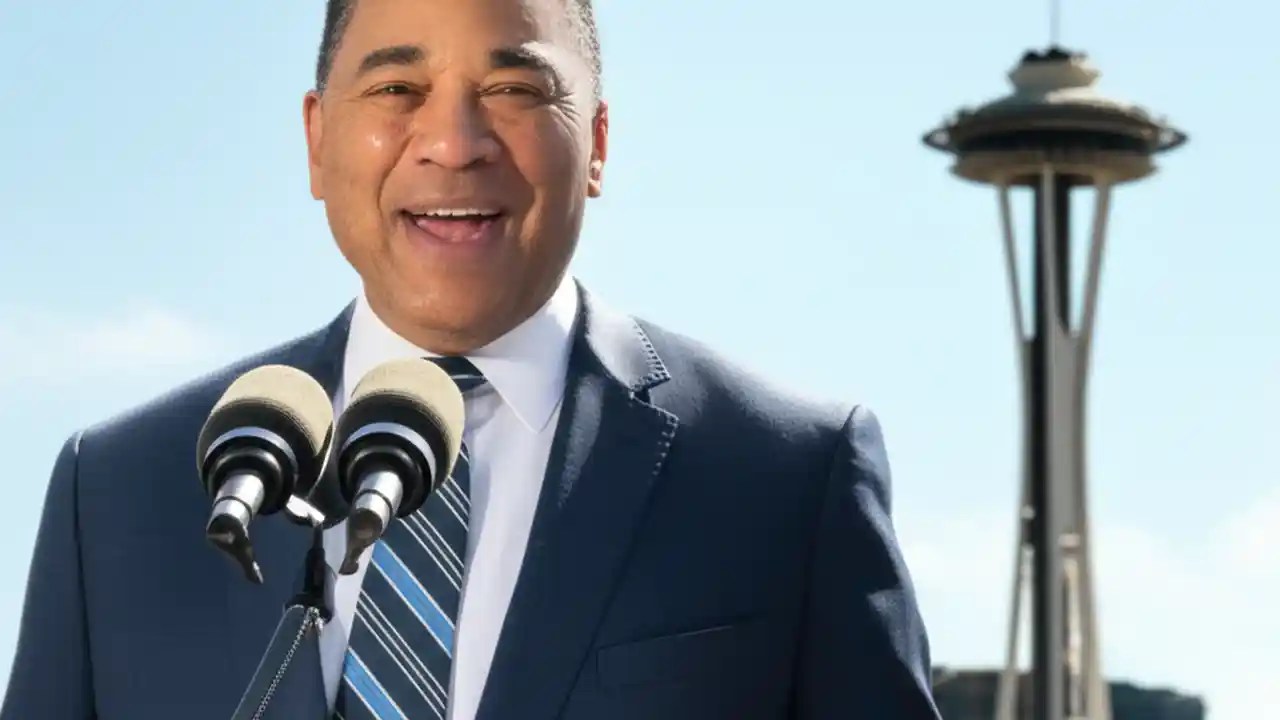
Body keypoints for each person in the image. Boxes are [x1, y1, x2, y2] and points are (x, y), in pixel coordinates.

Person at [1, 0, 942, 718]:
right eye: (396, 90)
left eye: (514, 90)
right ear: (317, 140)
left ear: (598, 143)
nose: (454, 145)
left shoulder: (785, 475)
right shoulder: (117, 490)